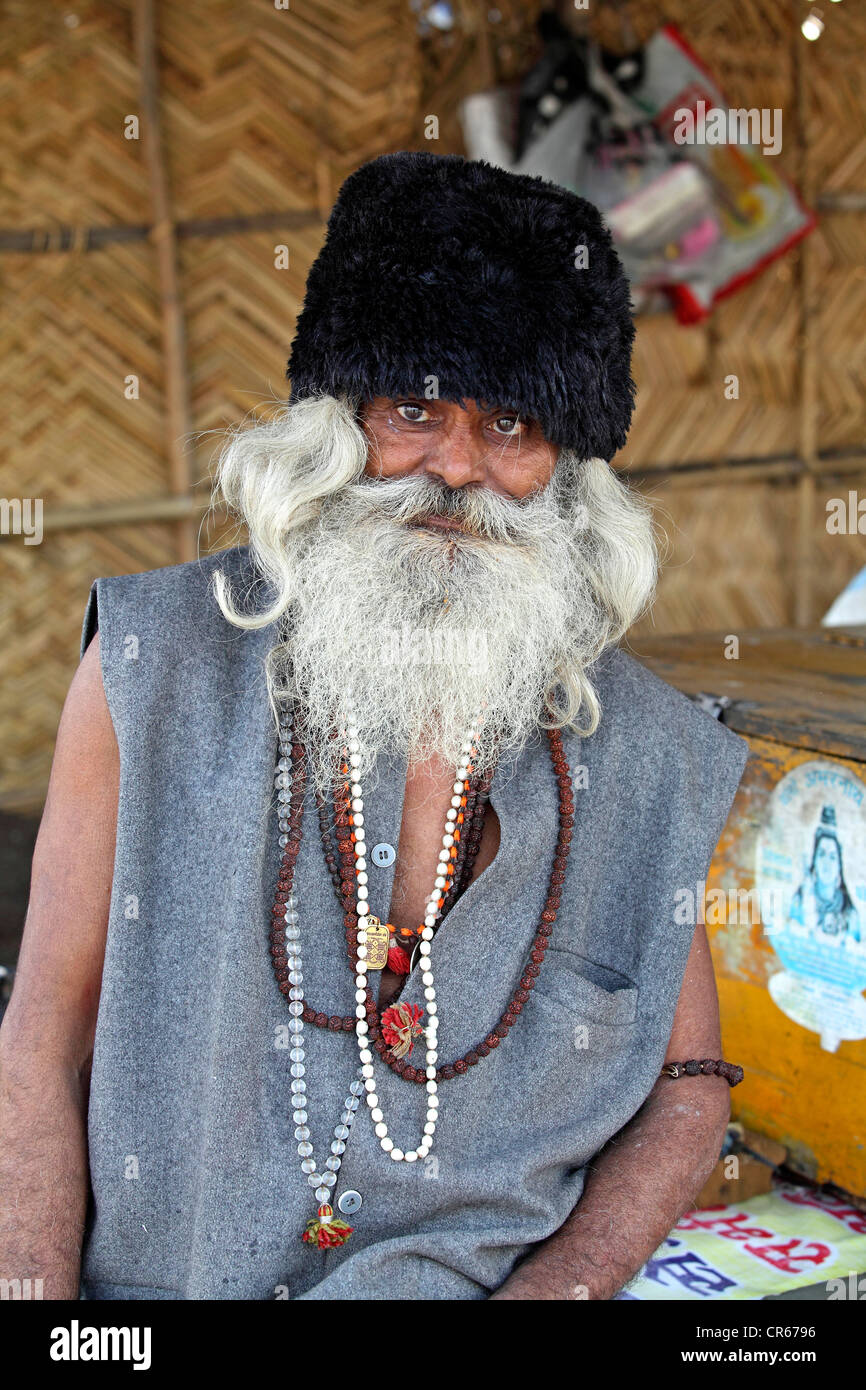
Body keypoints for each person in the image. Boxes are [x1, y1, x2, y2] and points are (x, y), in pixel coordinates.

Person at [0, 151, 749, 1301]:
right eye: (414, 409)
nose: (453, 468)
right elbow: (39, 1041)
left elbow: (690, 1082)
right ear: (338, 425)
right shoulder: (153, 668)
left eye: (509, 424)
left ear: (566, 469)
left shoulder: (645, 754)